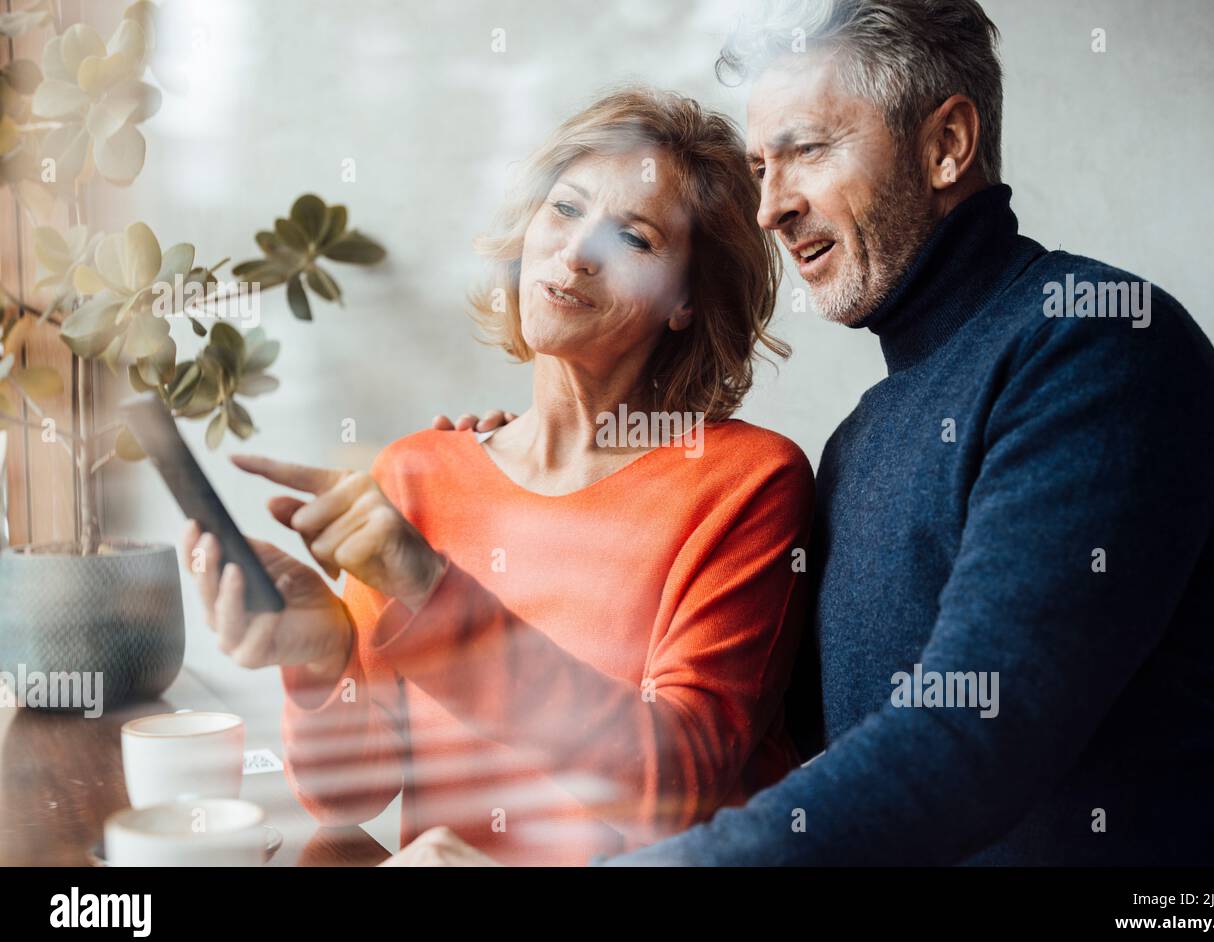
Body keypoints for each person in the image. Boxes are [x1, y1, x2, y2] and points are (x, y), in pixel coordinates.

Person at [441, 0, 1214, 866]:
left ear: (946, 145)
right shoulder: (858, 444)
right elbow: (734, 742)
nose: (772, 207)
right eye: (760, 166)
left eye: (807, 150)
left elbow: (971, 734)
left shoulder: (1094, 346)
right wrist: (510, 490)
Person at [180, 86, 816, 866]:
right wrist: (317, 657)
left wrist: (429, 589)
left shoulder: (748, 482)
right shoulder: (417, 473)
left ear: (685, 299)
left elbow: (672, 783)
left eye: (634, 238)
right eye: (564, 208)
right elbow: (348, 798)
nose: (577, 251)